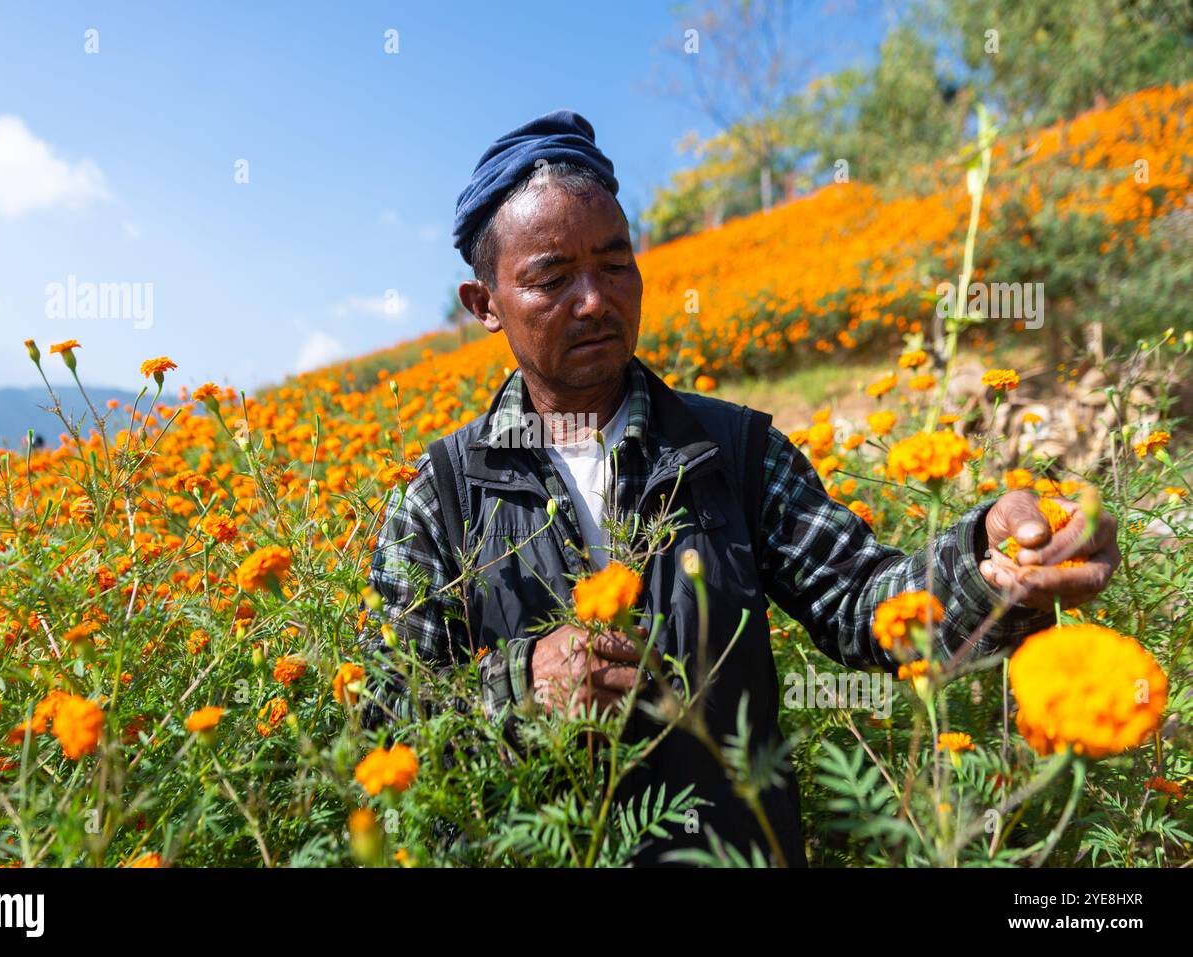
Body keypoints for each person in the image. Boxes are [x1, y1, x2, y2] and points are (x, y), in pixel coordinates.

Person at [360, 110, 1120, 865]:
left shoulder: (733, 450)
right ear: (484, 304)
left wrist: (992, 568)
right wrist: (519, 684)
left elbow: (862, 601)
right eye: (552, 278)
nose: (595, 299)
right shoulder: (444, 495)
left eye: (616, 263)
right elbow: (382, 718)